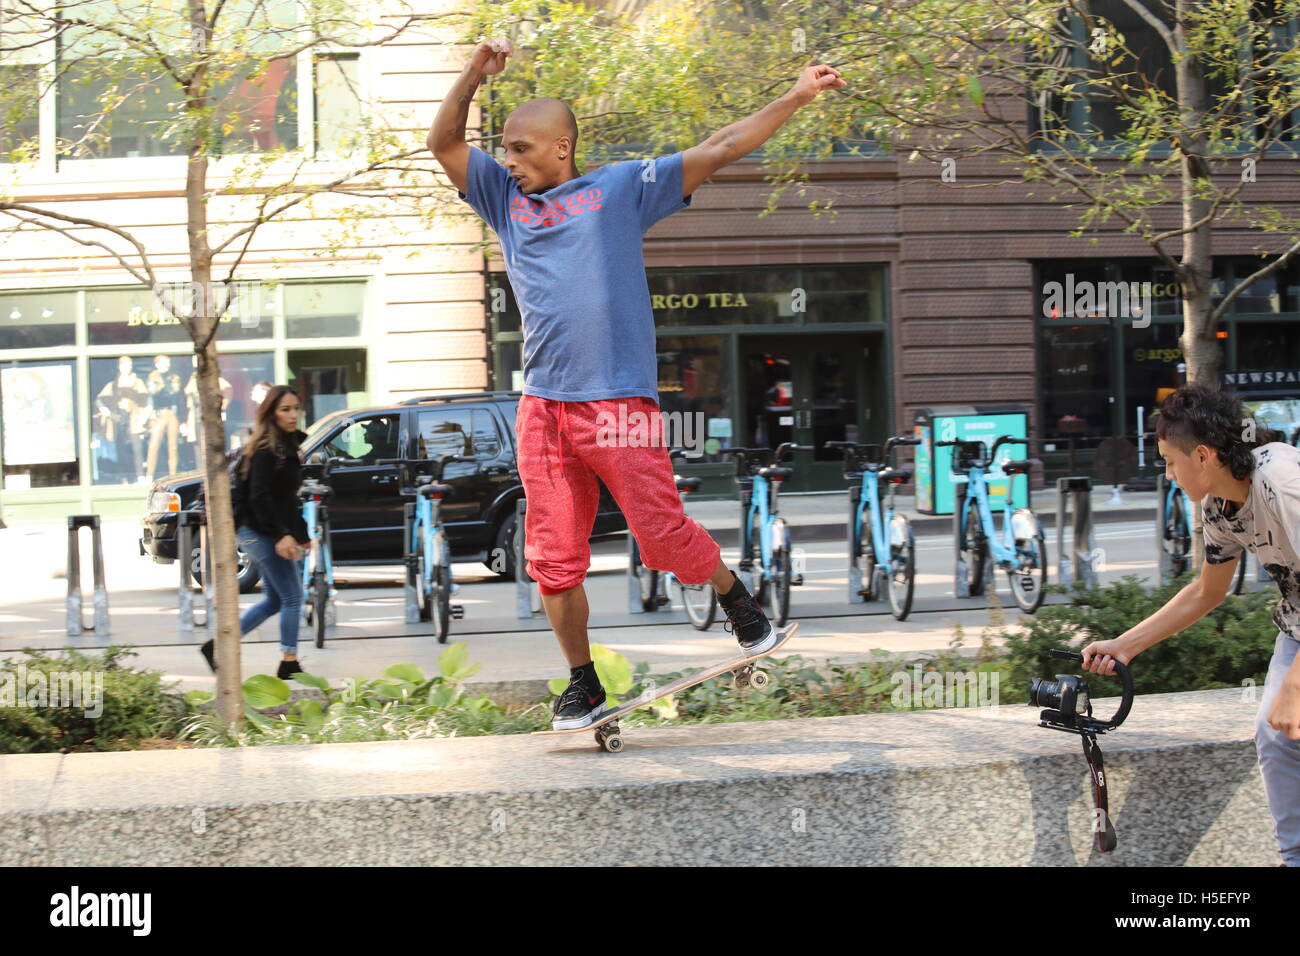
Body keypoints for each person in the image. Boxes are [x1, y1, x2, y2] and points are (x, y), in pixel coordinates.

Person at [429, 38, 846, 730]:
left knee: (659, 537)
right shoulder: (504, 202)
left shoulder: (620, 189)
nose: (508, 160)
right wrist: (474, 73)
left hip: (618, 402)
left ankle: (739, 602)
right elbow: (441, 140)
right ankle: (583, 684)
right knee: (552, 562)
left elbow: (720, 145)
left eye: (521, 149)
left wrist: (797, 95)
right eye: (503, 149)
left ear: (561, 148)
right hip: (544, 410)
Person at [1082, 384, 1300, 867]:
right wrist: (1125, 645)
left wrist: (1295, 683)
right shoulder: (1218, 506)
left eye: (1169, 461)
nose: (1168, 473)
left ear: (1202, 455)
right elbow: (1207, 591)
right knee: (1277, 740)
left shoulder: (1282, 482)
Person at [200, 384, 309, 681]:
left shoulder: (286, 446)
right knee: (292, 598)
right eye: (285, 410)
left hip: (265, 531)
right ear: (271, 413)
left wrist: (301, 533)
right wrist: (280, 536)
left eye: (295, 408)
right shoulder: (265, 448)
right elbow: (259, 498)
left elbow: (285, 498)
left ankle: (216, 647)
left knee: (275, 600)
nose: (292, 415)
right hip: (256, 531)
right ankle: (289, 662)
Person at [144, 356, 183, 478]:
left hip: (171, 413)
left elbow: (176, 395)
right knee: (154, 444)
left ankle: (173, 475)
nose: (167, 365)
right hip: (159, 413)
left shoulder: (172, 377)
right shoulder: (153, 377)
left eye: (168, 363)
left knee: (173, 446)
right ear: (157, 364)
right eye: (164, 363)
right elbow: (152, 392)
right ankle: (149, 475)